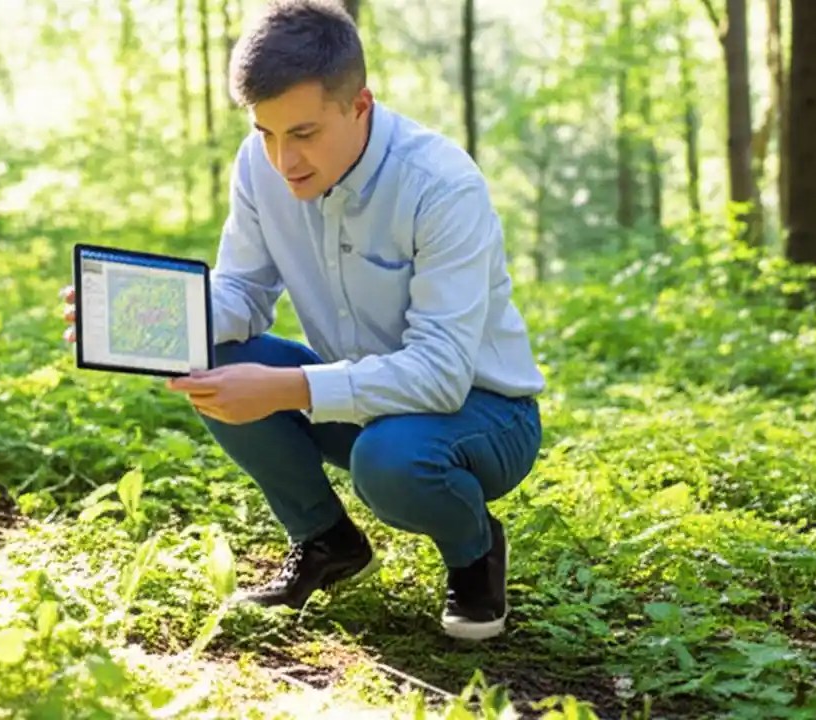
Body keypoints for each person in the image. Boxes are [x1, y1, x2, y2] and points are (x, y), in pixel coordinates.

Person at [61, 0, 544, 641]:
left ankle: (474, 550)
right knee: (217, 362)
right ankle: (326, 540)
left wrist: (288, 389)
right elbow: (241, 293)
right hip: (364, 401)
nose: (283, 159)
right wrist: (157, 318)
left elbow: (441, 376)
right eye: (267, 132)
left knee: (388, 460)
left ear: (359, 106)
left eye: (305, 134)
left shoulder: (440, 185)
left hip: (483, 414)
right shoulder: (259, 165)